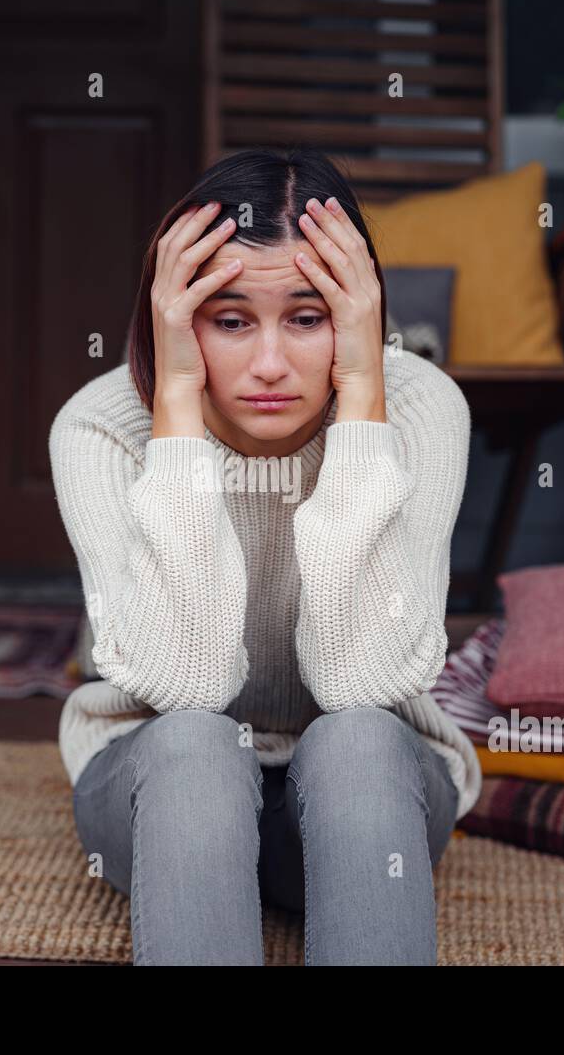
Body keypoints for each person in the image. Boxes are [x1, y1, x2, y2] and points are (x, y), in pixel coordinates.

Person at [48, 146, 481, 965]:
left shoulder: (421, 408)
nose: (272, 365)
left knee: (354, 737)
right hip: (163, 798)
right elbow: (192, 686)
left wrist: (362, 412)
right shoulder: (102, 428)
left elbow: (361, 684)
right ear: (177, 317)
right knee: (193, 742)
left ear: (358, 318)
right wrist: (176, 406)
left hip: (364, 801)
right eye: (232, 319)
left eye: (310, 317)